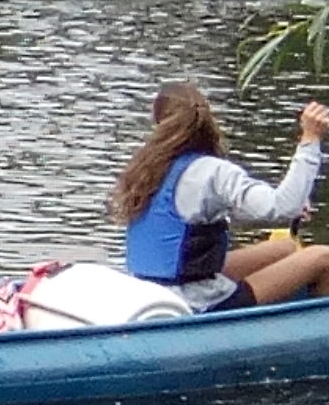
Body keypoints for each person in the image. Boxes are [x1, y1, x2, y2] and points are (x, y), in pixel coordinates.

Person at [112, 83, 329, 309]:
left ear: (158, 122)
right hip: (195, 302)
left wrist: (295, 200)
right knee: (323, 258)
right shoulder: (212, 171)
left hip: (148, 290)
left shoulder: (147, 168)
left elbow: (194, 216)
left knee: (285, 248)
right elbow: (283, 207)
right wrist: (310, 138)